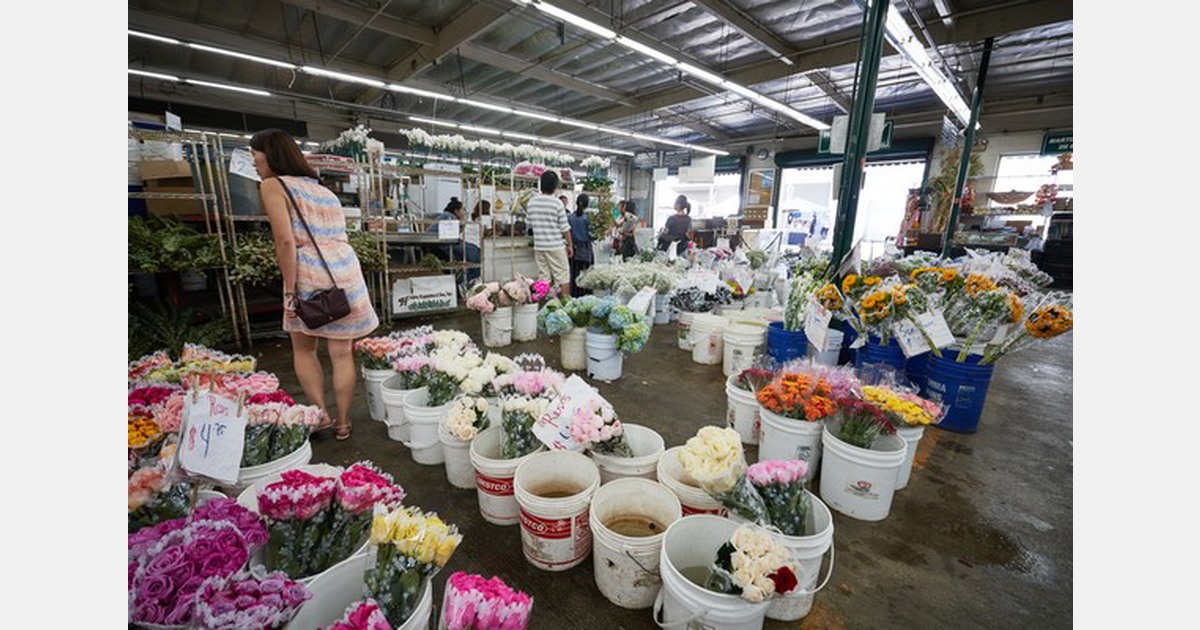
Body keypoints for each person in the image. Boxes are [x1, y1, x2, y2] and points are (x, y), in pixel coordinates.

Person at [251, 128, 380, 441]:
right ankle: (343, 423)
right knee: (342, 353)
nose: (254, 162)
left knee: (304, 348)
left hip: (308, 273)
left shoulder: (273, 185)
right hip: (344, 272)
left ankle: (321, 414)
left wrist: (290, 290)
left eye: (255, 155)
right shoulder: (323, 190)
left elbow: (285, 241)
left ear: (271, 154)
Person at [526, 170, 574, 296]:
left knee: (544, 277)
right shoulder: (557, 203)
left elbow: (529, 223)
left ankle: (544, 305)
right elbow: (565, 228)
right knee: (562, 276)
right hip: (555, 246)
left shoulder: (532, 202)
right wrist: (570, 245)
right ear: (555, 186)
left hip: (539, 246)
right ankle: (564, 305)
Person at [567, 193, 594, 297]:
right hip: (586, 249)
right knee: (586, 273)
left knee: (574, 273)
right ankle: (586, 296)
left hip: (574, 249)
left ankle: (574, 294)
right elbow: (592, 235)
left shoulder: (570, 217)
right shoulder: (588, 218)